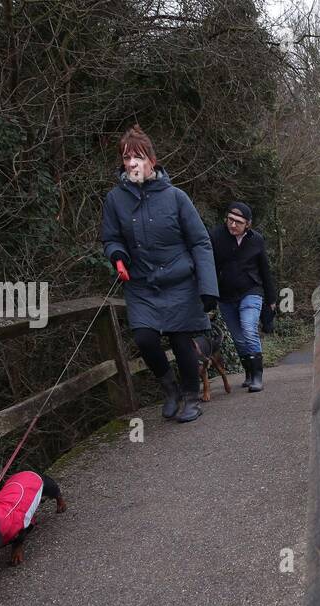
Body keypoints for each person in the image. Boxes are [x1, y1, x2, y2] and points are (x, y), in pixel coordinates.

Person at [101, 125, 218, 423]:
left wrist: (208, 288)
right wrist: (118, 256)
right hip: (141, 283)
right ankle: (171, 390)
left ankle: (192, 397)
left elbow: (200, 242)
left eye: (137, 157)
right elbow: (111, 237)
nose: (131, 164)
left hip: (179, 281)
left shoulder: (176, 197)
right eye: (126, 159)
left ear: (152, 160)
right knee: (144, 338)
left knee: (181, 341)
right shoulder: (115, 200)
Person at [208, 201, 277, 392]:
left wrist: (271, 299)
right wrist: (208, 296)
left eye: (238, 222)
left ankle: (257, 376)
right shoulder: (215, 237)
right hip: (225, 296)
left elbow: (265, 270)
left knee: (248, 329)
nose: (233, 225)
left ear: (248, 224)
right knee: (238, 338)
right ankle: (248, 372)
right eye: (230, 220)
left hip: (251, 291)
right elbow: (208, 268)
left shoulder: (257, 240)